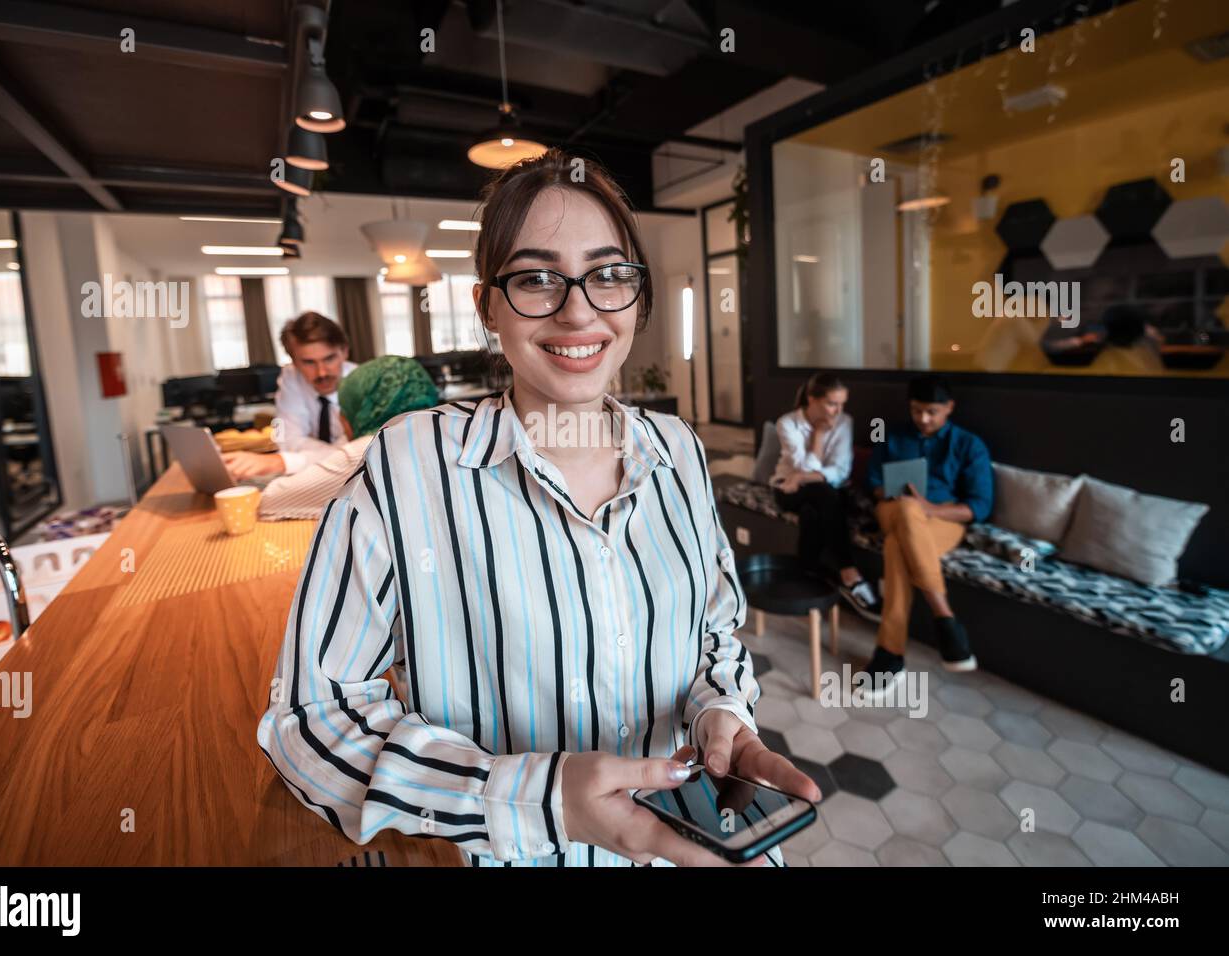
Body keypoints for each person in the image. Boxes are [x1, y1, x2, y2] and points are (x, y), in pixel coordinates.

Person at [257, 147, 819, 868]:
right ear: (488, 304)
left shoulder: (679, 449)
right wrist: (529, 796)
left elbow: (715, 630)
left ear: (638, 297)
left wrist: (723, 712)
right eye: (535, 278)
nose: (578, 308)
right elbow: (310, 720)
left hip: (694, 844)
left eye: (609, 274)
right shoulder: (408, 467)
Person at [860, 374, 993, 699]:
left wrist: (928, 507)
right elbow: (872, 482)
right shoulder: (892, 435)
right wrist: (893, 491)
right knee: (905, 510)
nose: (923, 418)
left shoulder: (968, 444)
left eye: (932, 411)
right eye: (917, 410)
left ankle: (889, 654)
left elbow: (979, 507)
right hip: (892, 510)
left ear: (949, 407)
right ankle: (944, 615)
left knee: (896, 546)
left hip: (943, 519)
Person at [257, 356, 440, 520]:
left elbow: (271, 500)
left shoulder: (369, 450)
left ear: (364, 408)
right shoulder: (440, 432)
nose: (321, 372)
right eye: (308, 361)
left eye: (345, 408)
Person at [770, 372, 881, 621]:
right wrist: (818, 437)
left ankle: (808, 576)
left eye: (842, 404)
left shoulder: (844, 422)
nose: (837, 411)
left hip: (823, 492)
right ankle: (850, 574)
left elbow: (841, 471)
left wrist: (802, 477)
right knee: (823, 492)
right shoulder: (787, 423)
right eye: (831, 403)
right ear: (812, 399)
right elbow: (801, 468)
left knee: (814, 510)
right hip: (785, 489)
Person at [225, 311, 356, 480]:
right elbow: (286, 440)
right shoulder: (290, 377)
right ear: (293, 361)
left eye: (329, 358)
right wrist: (330, 453)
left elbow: (354, 455)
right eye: (309, 362)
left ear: (344, 352)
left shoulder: (364, 385)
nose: (321, 372)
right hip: (308, 477)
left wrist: (281, 461)